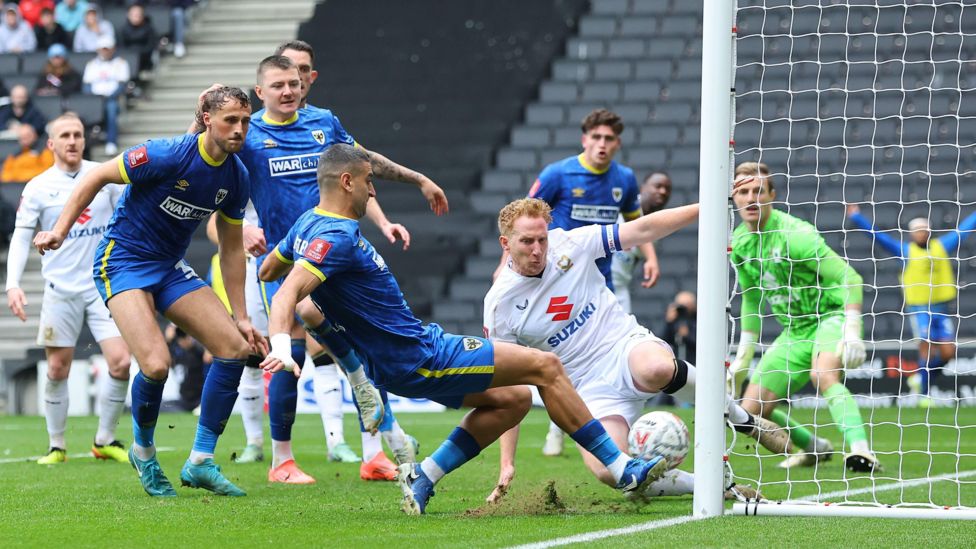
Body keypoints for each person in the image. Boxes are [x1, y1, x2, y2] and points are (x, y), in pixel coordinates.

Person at [260, 143, 668, 515]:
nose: (373, 192)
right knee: (546, 366)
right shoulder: (334, 237)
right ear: (347, 182)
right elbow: (287, 294)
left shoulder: (308, 224)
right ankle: (622, 467)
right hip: (419, 357)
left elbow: (268, 271)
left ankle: (424, 477)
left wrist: (293, 267)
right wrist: (281, 342)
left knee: (514, 400)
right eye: (369, 182)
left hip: (413, 353)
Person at [194, 54, 442, 483]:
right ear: (260, 94)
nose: (289, 91)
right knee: (291, 343)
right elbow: (200, 158)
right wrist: (239, 232)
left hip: (341, 250)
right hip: (286, 254)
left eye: (294, 82)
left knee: (360, 341)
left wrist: (417, 179)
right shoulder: (247, 137)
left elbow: (364, 162)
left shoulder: (324, 122)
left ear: (305, 82)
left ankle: (374, 455)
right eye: (278, 86)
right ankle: (281, 460)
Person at [33, 86, 266, 498]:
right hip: (121, 260)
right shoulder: (167, 153)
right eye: (231, 119)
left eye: (246, 121)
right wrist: (59, 231)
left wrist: (242, 315)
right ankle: (143, 451)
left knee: (233, 347)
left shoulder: (236, 176)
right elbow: (98, 175)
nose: (240, 129)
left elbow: (231, 248)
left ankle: (200, 462)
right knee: (156, 365)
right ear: (208, 119)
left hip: (169, 267)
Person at [482, 198, 787, 503]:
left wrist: (707, 207)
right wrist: (507, 461)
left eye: (542, 239)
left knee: (656, 369)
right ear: (505, 243)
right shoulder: (500, 305)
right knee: (609, 471)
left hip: (622, 346)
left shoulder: (572, 244)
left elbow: (643, 228)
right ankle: (714, 486)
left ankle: (745, 420)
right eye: (527, 241)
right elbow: (511, 384)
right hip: (586, 390)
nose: (537, 249)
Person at [495, 108, 659, 457]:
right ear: (584, 140)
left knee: (614, 350)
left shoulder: (625, 179)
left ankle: (622, 413)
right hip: (556, 279)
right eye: (596, 137)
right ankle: (560, 429)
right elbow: (521, 222)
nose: (602, 144)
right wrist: (504, 265)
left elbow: (635, 221)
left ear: (617, 144)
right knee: (564, 361)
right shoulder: (558, 174)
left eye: (609, 139)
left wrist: (651, 257)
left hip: (598, 281)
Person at [727, 162, 881, 472]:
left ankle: (862, 452)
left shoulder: (796, 235)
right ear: (733, 199)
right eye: (742, 192)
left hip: (830, 317)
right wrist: (743, 356)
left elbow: (851, 278)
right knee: (749, 411)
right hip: (795, 330)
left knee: (822, 374)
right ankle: (813, 447)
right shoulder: (740, 243)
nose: (750, 198)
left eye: (758, 190)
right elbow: (753, 298)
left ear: (772, 195)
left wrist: (853, 329)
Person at [5, 113, 131, 465]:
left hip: (104, 285)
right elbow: (21, 238)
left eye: (78, 134)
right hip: (61, 288)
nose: (73, 140)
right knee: (58, 368)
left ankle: (104, 440)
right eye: (65, 135)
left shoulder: (104, 176)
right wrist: (12, 284)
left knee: (121, 362)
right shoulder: (38, 187)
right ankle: (57, 446)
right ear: (51, 144)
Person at [846, 204, 976, 406]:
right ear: (911, 233)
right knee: (926, 348)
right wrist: (857, 218)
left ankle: (920, 379)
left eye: (923, 229)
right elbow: (879, 237)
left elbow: (964, 229)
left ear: (929, 230)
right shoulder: (905, 251)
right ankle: (924, 395)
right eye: (916, 230)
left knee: (948, 352)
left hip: (941, 309)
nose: (920, 233)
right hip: (919, 309)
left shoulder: (942, 246)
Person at [611, 172, 673, 314]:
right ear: (642, 188)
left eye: (667, 189)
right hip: (598, 281)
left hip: (620, 287)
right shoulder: (622, 206)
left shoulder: (658, 225)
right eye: (658, 186)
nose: (663, 191)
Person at [82, 35, 130, 155]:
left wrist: (109, 96)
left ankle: (111, 142)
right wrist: (95, 98)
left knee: (111, 108)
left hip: (112, 98)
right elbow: (87, 85)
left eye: (107, 49)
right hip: (95, 99)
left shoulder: (121, 63)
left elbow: (122, 85)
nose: (105, 51)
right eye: (102, 49)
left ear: (113, 49)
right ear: (98, 49)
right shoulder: (91, 64)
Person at [119, 3, 157, 75]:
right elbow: (121, 47)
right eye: (134, 14)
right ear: (128, 15)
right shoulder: (123, 30)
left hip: (145, 59)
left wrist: (138, 53)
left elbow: (151, 46)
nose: (136, 16)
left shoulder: (149, 29)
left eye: (138, 14)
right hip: (128, 59)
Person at [662, 290, 696, 365]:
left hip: (693, 363)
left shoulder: (699, 322)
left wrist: (688, 335)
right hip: (676, 364)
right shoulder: (673, 322)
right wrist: (669, 322)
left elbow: (702, 345)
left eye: (687, 305)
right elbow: (663, 343)